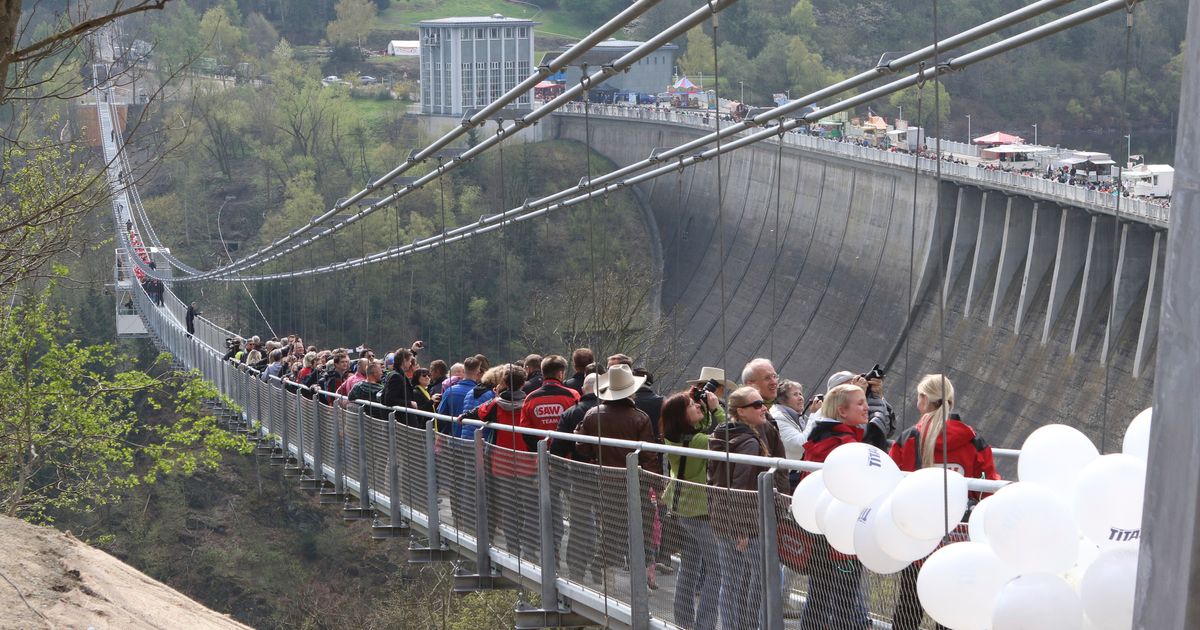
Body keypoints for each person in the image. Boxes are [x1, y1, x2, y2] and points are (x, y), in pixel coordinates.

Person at [887, 374, 1000, 630]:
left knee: (909, 602)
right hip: (956, 537)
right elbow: (988, 485)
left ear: (924, 400)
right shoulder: (972, 439)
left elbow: (892, 479)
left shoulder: (910, 438)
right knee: (951, 605)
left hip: (917, 537)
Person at [798, 383, 880, 630]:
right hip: (843, 535)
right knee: (843, 600)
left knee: (820, 596)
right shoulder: (845, 445)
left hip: (821, 532)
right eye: (860, 403)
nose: (866, 407)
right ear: (842, 412)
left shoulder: (822, 437)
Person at [708, 386, 789, 630]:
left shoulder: (720, 434)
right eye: (756, 405)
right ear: (741, 412)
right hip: (748, 523)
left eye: (762, 403)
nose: (763, 407)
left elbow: (714, 480)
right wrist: (741, 529)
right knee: (764, 577)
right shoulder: (749, 444)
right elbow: (741, 487)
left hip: (723, 516)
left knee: (730, 580)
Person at [574, 364, 661, 576]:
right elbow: (649, 457)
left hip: (604, 480)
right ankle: (638, 573)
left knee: (611, 528)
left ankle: (599, 567)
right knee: (639, 529)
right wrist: (658, 487)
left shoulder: (592, 414)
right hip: (634, 482)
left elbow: (583, 449)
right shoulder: (640, 418)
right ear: (630, 391)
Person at [661, 393, 720, 630]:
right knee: (718, 570)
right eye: (691, 405)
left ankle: (684, 622)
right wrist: (717, 410)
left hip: (682, 507)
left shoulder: (674, 437)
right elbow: (721, 435)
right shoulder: (696, 441)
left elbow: (707, 430)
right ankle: (704, 625)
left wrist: (705, 410)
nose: (697, 406)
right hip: (700, 510)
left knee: (690, 565)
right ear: (681, 415)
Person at [462, 364, 533, 555]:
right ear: (523, 383)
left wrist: (464, 416)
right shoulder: (528, 402)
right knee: (528, 508)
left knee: (509, 507)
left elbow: (479, 412)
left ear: (503, 382)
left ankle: (513, 549)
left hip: (501, 463)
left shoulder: (496, 403)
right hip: (528, 463)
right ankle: (530, 550)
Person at [553, 372, 600, 581]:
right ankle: (600, 567)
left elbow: (557, 448)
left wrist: (557, 468)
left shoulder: (571, 413)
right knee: (609, 522)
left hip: (579, 474)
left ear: (583, 389)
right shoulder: (610, 411)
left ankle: (576, 569)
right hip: (609, 475)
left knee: (579, 521)